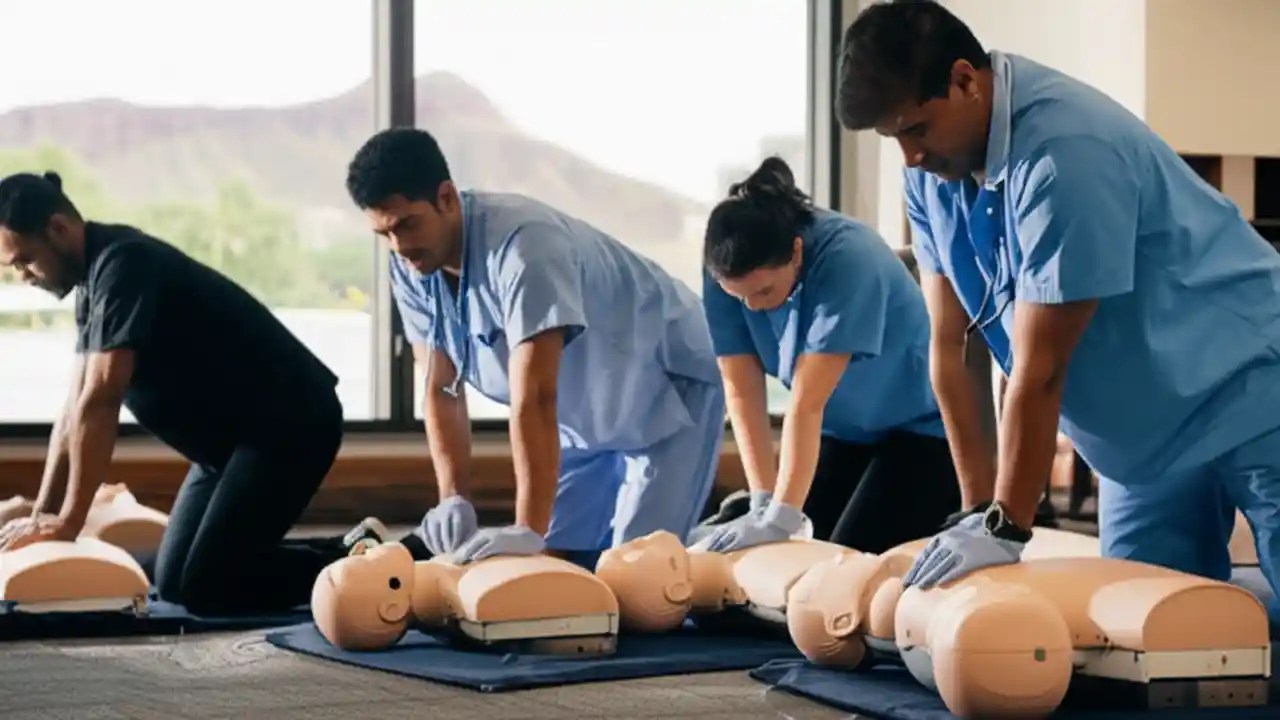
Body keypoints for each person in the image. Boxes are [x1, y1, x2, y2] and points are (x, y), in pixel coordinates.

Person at [835, 0, 1280, 619]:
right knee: (1146, 633)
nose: (909, 154)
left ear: (965, 80)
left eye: (916, 129)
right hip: (1142, 435)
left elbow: (1039, 368)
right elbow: (952, 344)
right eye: (892, 138)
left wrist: (1009, 526)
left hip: (1253, 386)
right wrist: (976, 513)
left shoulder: (1065, 150)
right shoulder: (930, 174)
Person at [343, 127, 725, 569]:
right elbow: (441, 389)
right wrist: (454, 497)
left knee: (639, 581)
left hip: (669, 383)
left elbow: (535, 397)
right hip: (583, 419)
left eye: (408, 224)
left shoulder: (525, 247)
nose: (400, 246)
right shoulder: (411, 265)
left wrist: (527, 528)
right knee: (555, 567)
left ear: (446, 197)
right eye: (384, 233)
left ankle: (719, 533)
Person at [0, 171, 361, 615]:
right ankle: (357, 548)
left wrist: (70, 521)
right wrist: (41, 516)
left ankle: (375, 568)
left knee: (210, 588)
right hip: (226, 450)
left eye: (25, 261)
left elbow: (101, 398)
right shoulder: (92, 284)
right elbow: (73, 411)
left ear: (58, 229)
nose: (23, 276)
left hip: (289, 425)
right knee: (173, 584)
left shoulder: (124, 262)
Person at [693, 156, 961, 555]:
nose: (751, 308)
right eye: (739, 297)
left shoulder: (849, 259)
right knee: (784, 552)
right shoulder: (728, 267)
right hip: (841, 435)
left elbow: (806, 402)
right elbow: (742, 388)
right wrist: (763, 501)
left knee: (841, 563)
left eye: (764, 293)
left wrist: (783, 515)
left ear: (796, 253)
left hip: (923, 436)